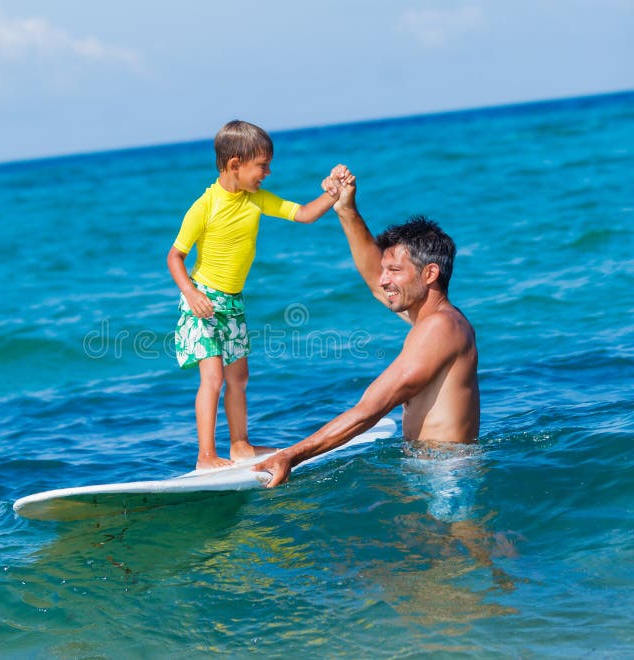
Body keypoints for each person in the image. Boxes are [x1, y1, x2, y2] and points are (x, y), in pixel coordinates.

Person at [255, 165, 480, 486]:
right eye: (385, 270)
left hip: (446, 478)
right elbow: (376, 282)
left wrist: (292, 455)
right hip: (434, 471)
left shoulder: (440, 328)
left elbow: (371, 408)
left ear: (429, 274)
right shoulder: (434, 318)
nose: (384, 279)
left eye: (395, 271)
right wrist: (346, 210)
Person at [167, 121, 344, 469]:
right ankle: (205, 456)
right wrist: (189, 293)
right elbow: (175, 256)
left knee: (239, 378)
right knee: (213, 378)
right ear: (235, 165)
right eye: (262, 165)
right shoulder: (204, 206)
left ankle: (240, 446)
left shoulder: (256, 200)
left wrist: (334, 192)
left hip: (232, 304)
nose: (268, 172)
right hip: (202, 300)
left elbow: (304, 214)